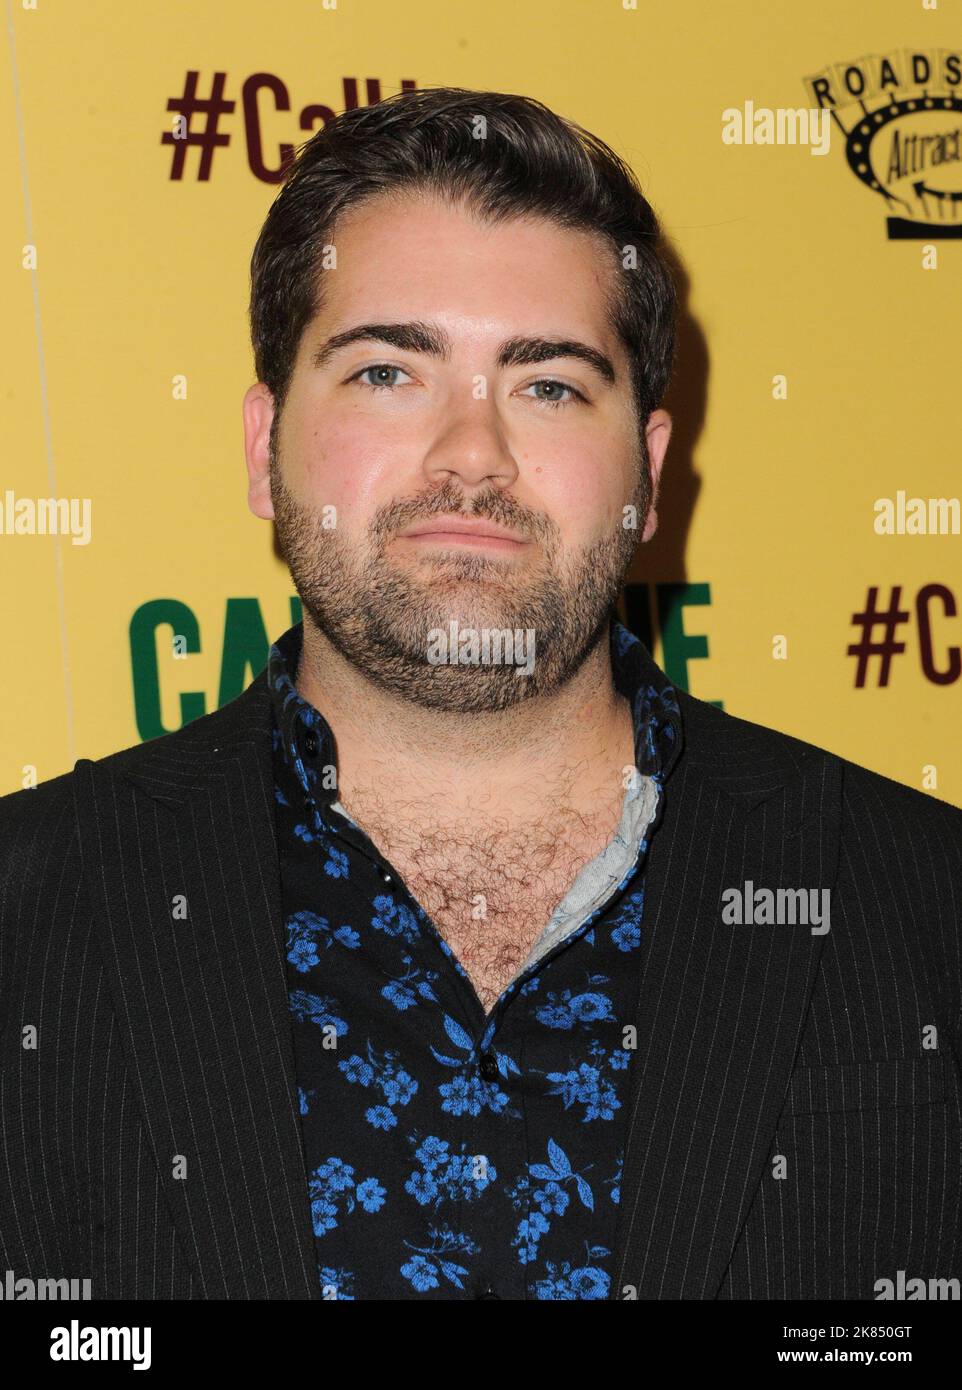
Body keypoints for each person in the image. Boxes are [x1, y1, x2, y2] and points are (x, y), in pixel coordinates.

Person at [1, 87, 959, 1302]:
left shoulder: (921, 901)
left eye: (548, 385)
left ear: (648, 476)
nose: (471, 453)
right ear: (262, 447)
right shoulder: (31, 914)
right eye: (389, 372)